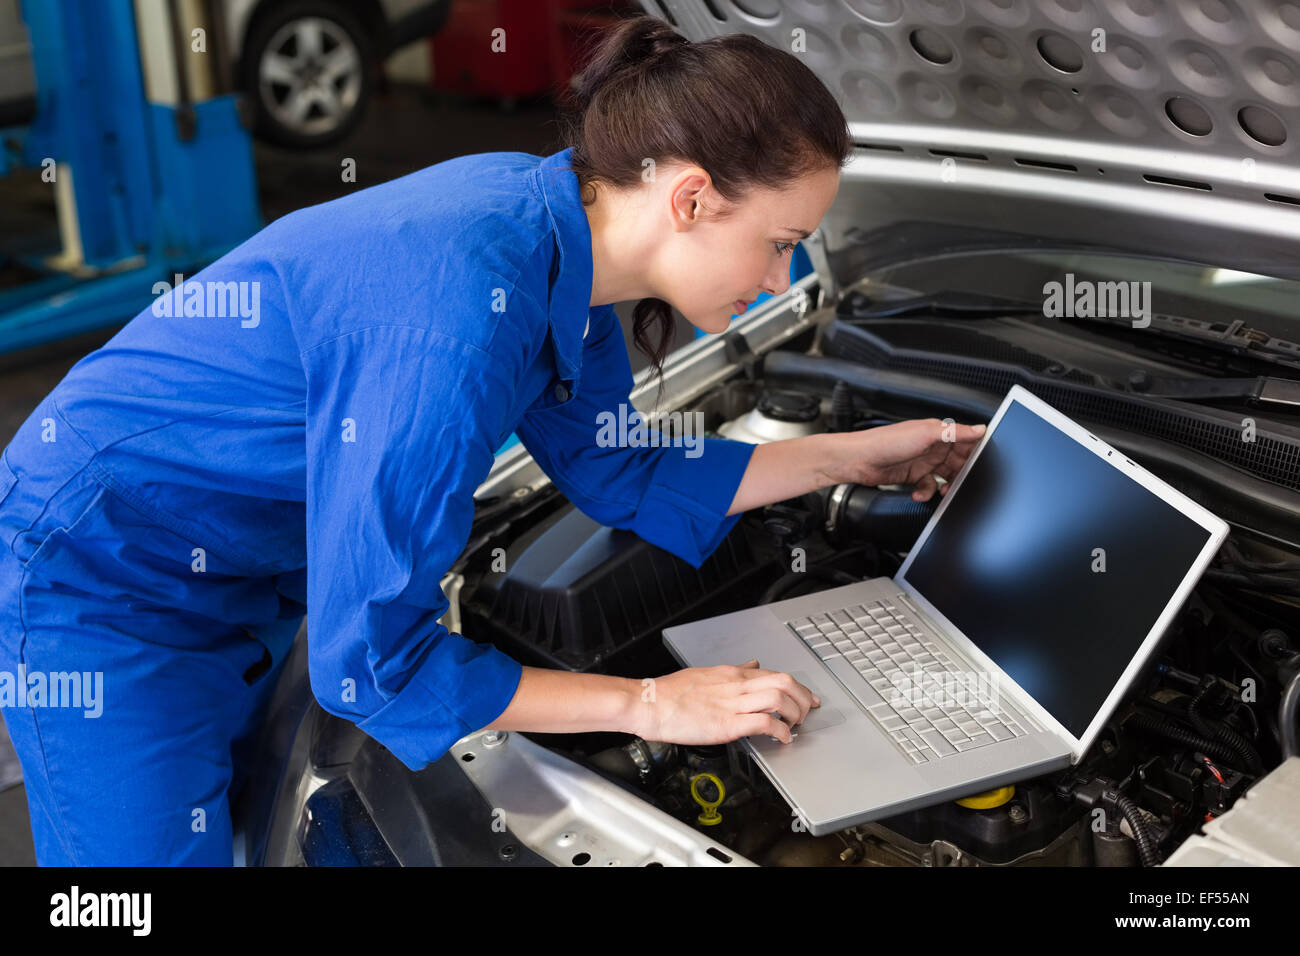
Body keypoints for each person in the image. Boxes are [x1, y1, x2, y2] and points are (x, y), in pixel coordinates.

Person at [0, 15, 983, 865]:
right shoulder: (458, 318)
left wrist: (854, 456)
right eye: (778, 241)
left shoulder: (560, 248)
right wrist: (648, 704)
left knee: (246, 826)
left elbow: (620, 468)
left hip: (243, 559)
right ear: (689, 198)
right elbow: (369, 665)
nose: (781, 277)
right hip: (105, 581)